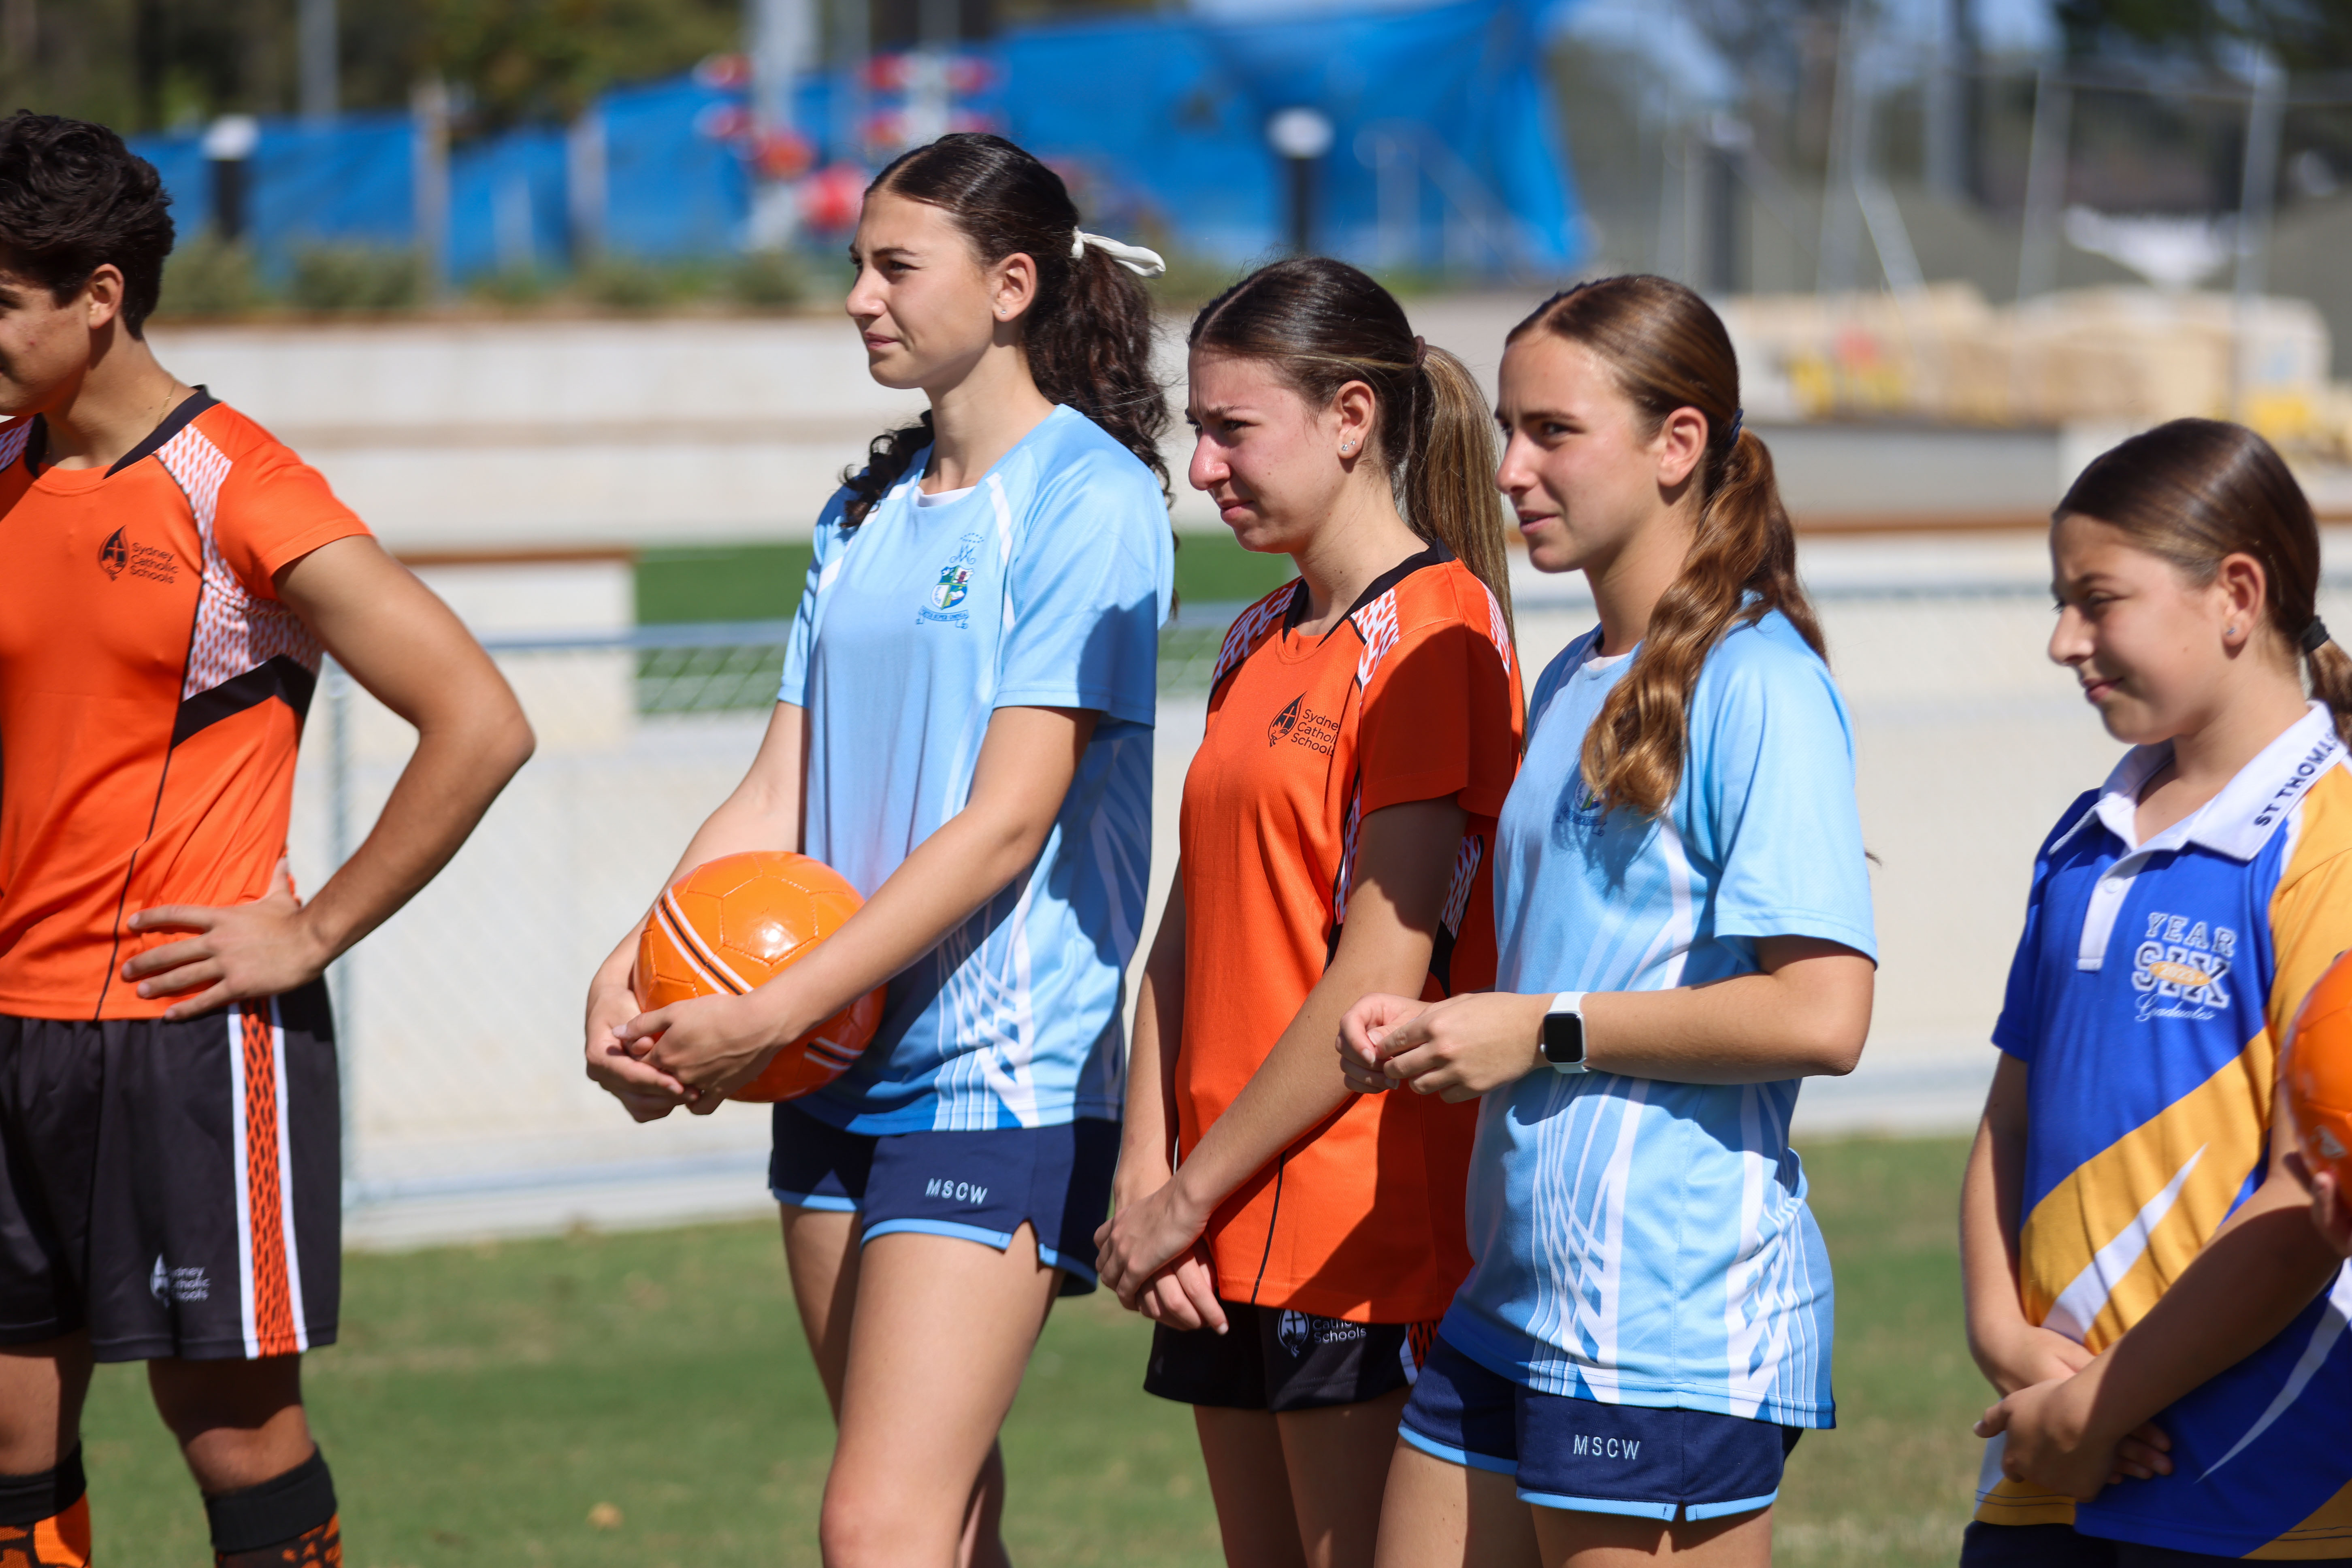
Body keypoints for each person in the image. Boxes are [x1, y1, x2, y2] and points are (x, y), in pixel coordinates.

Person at [581, 133, 1173, 1568]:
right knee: (938, 1516)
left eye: (895, 266)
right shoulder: (860, 512)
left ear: (1014, 284)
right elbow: (777, 782)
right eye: (856, 265)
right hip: (829, 1060)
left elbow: (1008, 822)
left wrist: (770, 1006)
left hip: (993, 1076)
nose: (858, 296)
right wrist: (640, 961)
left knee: (878, 1526)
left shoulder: (1091, 499)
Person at [0, 113, 533, 1567]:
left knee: (233, 1433)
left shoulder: (237, 485)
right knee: (6, 1438)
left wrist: (309, 930)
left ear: (97, 297)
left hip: (184, 1036)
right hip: (10, 1022)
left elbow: (480, 721)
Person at [1337, 274, 1877, 1566]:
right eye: (1511, 429)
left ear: (1678, 445)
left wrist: (1542, 1031)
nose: (1513, 468)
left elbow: (1825, 1012)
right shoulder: (1576, 675)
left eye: (1554, 432)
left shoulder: (1762, 685)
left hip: (1666, 1321)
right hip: (1513, 1298)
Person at [1092, 258, 1523, 1568]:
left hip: (1354, 1230)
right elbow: (1190, 930)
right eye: (1197, 430)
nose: (1205, 465)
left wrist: (1190, 1193)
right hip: (1216, 1224)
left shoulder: (1440, 630)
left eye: (1235, 429)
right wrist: (1147, 1170)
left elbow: (1377, 981)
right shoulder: (1257, 633)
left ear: (1350, 418)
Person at [1960, 419, 2352, 1564]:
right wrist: (2007, 1343)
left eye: (2097, 600)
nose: (2060, 640)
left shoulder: (2326, 846)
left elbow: (2307, 1199)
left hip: (2253, 1482)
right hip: (2049, 1468)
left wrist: (2101, 1404)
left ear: (2237, 594)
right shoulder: (2086, 839)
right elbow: (2008, 1118)